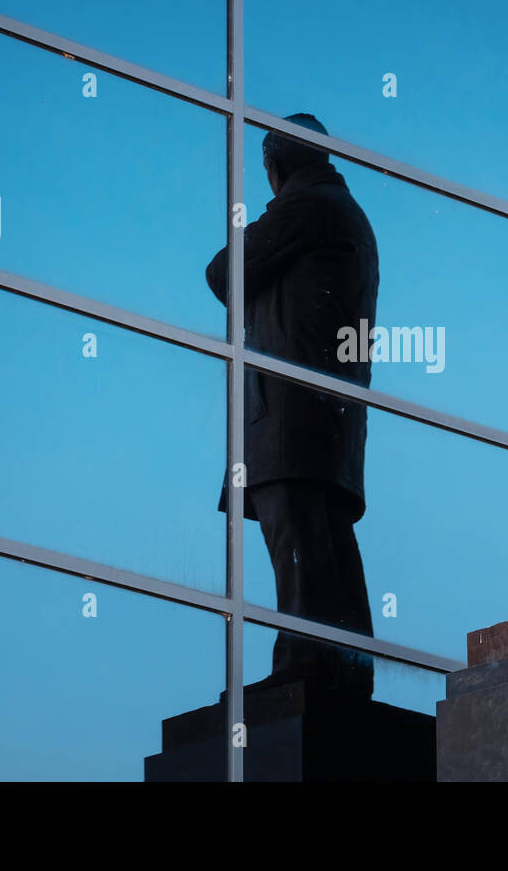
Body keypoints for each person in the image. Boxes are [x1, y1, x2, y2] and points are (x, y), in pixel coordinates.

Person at [206, 113, 380, 695]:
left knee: (298, 538)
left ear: (276, 166)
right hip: (322, 415)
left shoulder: (307, 206)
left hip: (291, 414)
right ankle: (345, 667)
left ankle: (304, 666)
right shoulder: (342, 210)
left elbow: (223, 272)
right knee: (323, 541)